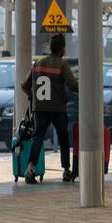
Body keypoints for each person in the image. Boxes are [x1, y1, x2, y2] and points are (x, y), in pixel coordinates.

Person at [21, 33, 79, 183]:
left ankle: (30, 169)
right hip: (58, 109)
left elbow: (24, 85)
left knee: (37, 138)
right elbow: (73, 85)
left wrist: (32, 96)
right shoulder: (62, 64)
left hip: (39, 108)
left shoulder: (38, 63)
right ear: (62, 50)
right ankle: (66, 170)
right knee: (63, 138)